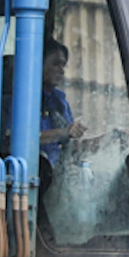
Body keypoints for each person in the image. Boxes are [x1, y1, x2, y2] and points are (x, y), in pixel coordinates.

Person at [40, 37, 88, 168]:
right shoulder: (23, 101)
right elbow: (20, 141)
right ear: (39, 62)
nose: (62, 70)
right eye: (55, 64)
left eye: (63, 65)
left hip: (57, 174)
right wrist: (64, 132)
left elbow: (73, 145)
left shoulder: (60, 102)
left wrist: (110, 137)